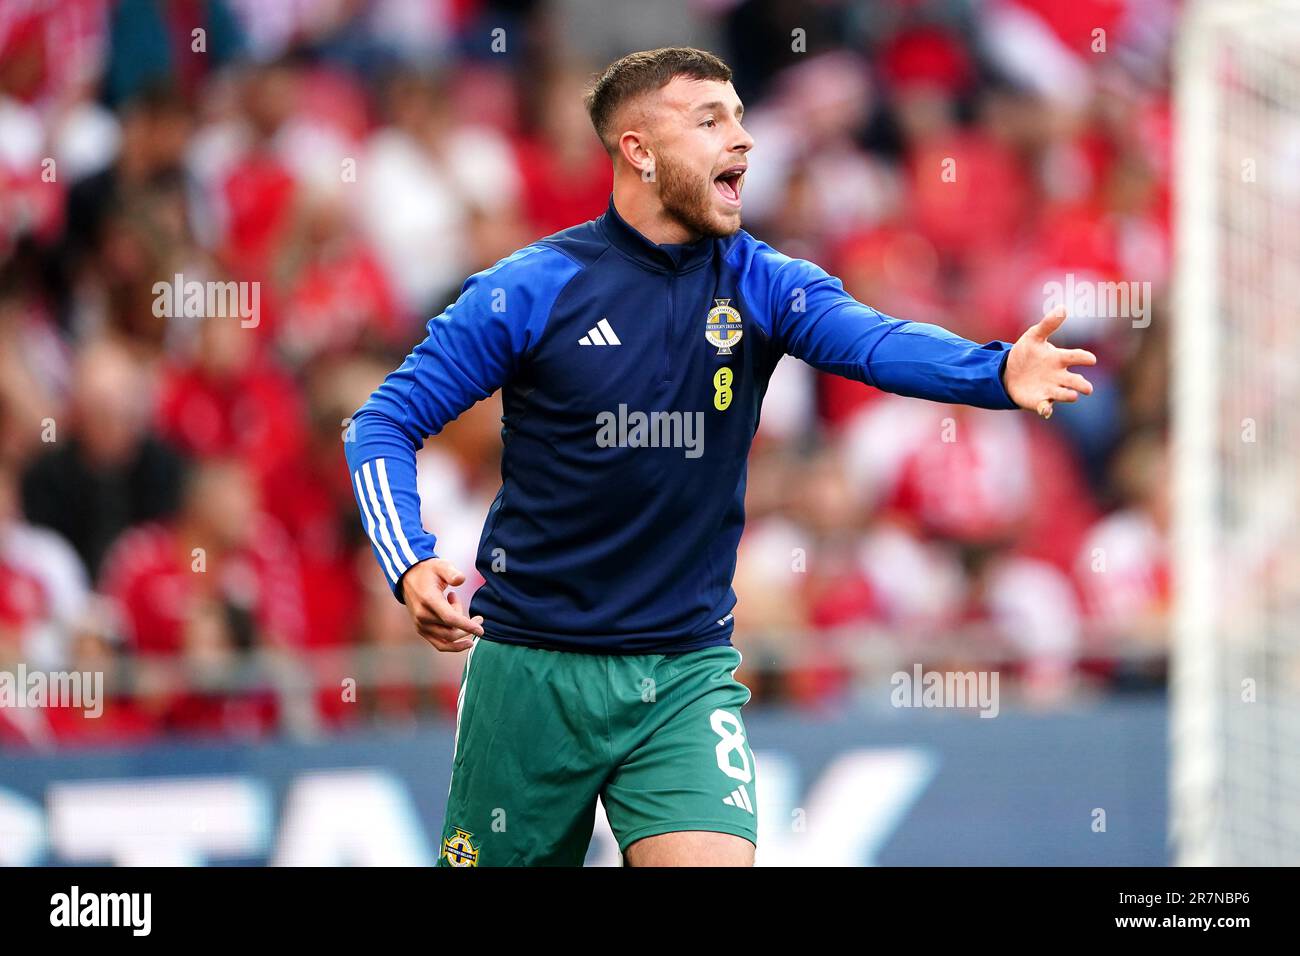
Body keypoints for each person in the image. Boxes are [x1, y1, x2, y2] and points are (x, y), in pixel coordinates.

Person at [343, 47, 1095, 867]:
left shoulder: (762, 281)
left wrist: (994, 371)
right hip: (531, 671)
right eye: (709, 121)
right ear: (637, 150)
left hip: (684, 670)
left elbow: (874, 342)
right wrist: (410, 562)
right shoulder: (528, 290)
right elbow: (381, 424)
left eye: (739, 116)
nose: (741, 138)